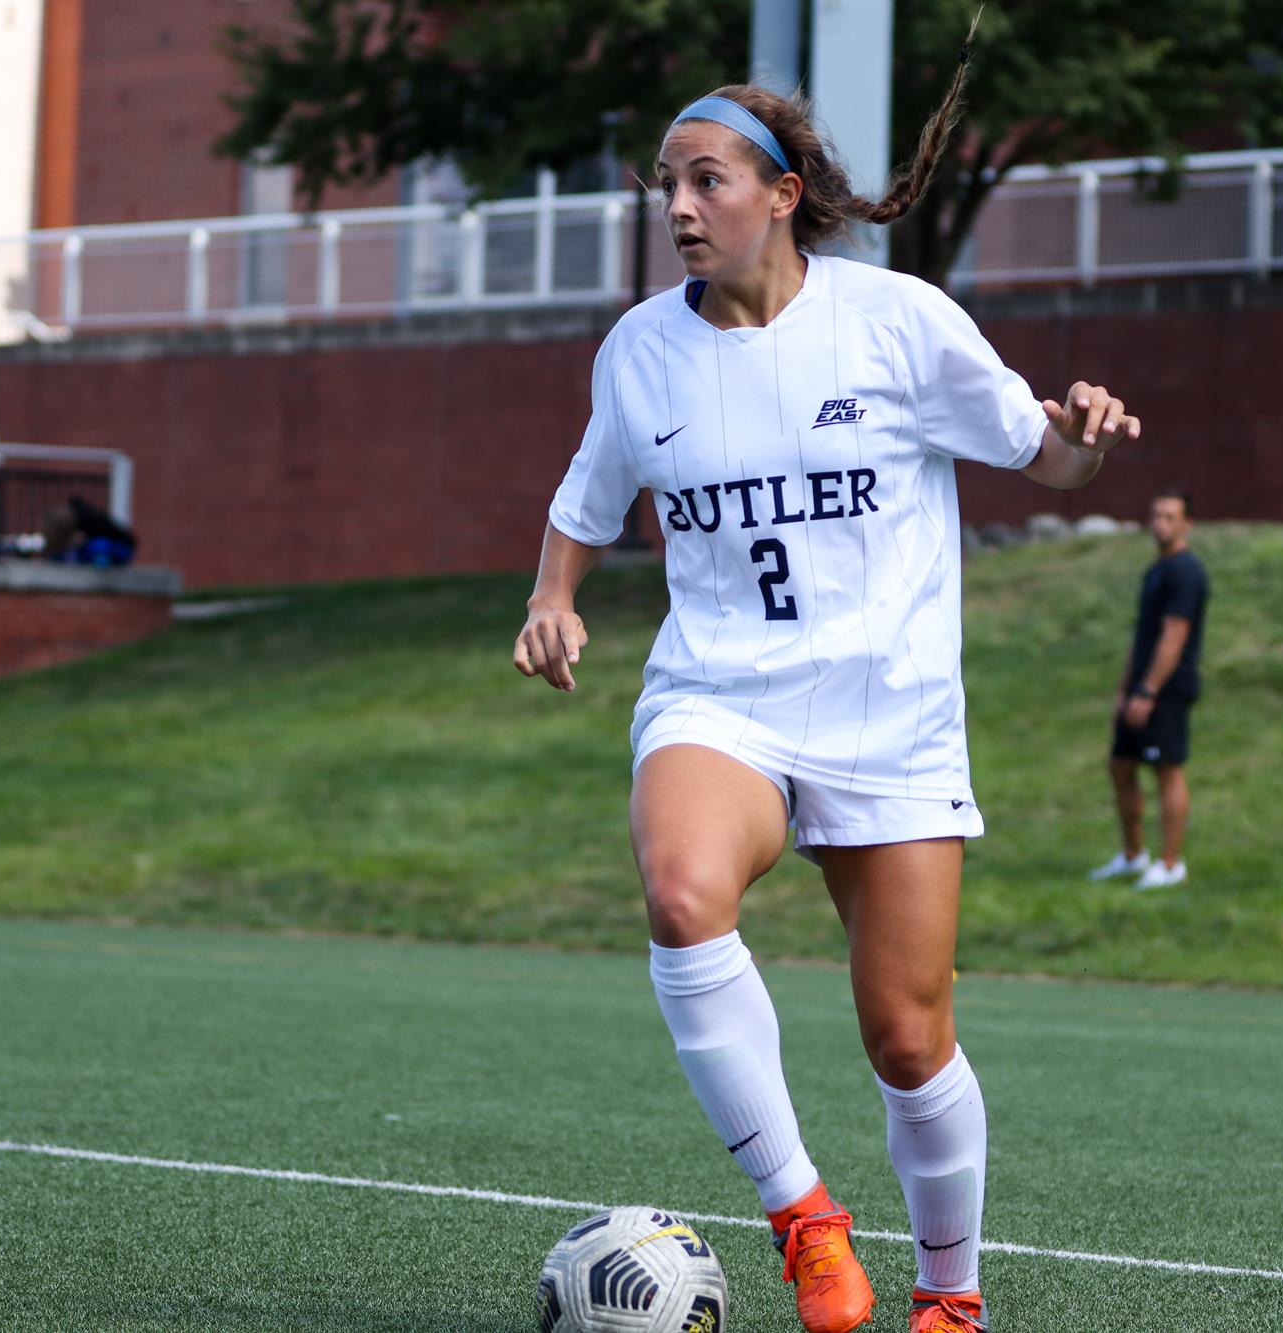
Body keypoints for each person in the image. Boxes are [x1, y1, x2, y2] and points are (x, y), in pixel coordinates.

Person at [511, 39, 1140, 1333]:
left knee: (907, 1038)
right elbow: (587, 496)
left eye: (707, 182)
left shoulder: (896, 322)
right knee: (683, 894)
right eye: (666, 187)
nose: (679, 209)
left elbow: (1046, 457)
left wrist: (1080, 439)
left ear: (784, 193)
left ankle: (952, 1302)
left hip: (889, 712)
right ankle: (804, 1216)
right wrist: (553, 595)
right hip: (719, 694)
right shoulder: (638, 352)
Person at [1089, 491, 1207, 891]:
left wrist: (1149, 690)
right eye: (1156, 515)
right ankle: (1133, 856)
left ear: (1187, 523)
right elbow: (1142, 638)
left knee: (1166, 770)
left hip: (1166, 689)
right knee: (1120, 766)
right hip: (1139, 687)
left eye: (1170, 517)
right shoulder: (1156, 570)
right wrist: (1126, 690)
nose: (1161, 523)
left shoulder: (1186, 572)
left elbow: (1174, 637)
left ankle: (1171, 864)